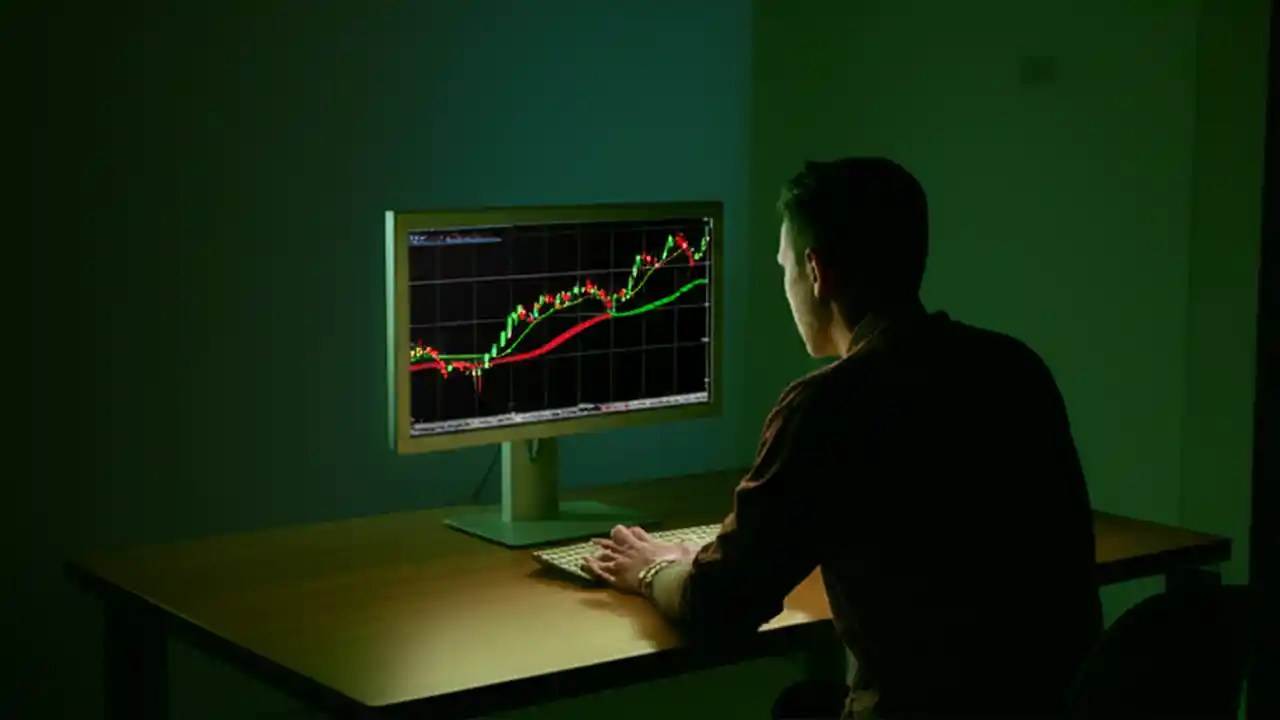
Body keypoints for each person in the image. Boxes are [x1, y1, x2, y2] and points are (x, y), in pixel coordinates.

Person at [583, 157, 1104, 719]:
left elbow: (719, 605)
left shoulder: (830, 405)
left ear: (816, 270)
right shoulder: (1014, 368)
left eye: (784, 267)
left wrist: (655, 569)